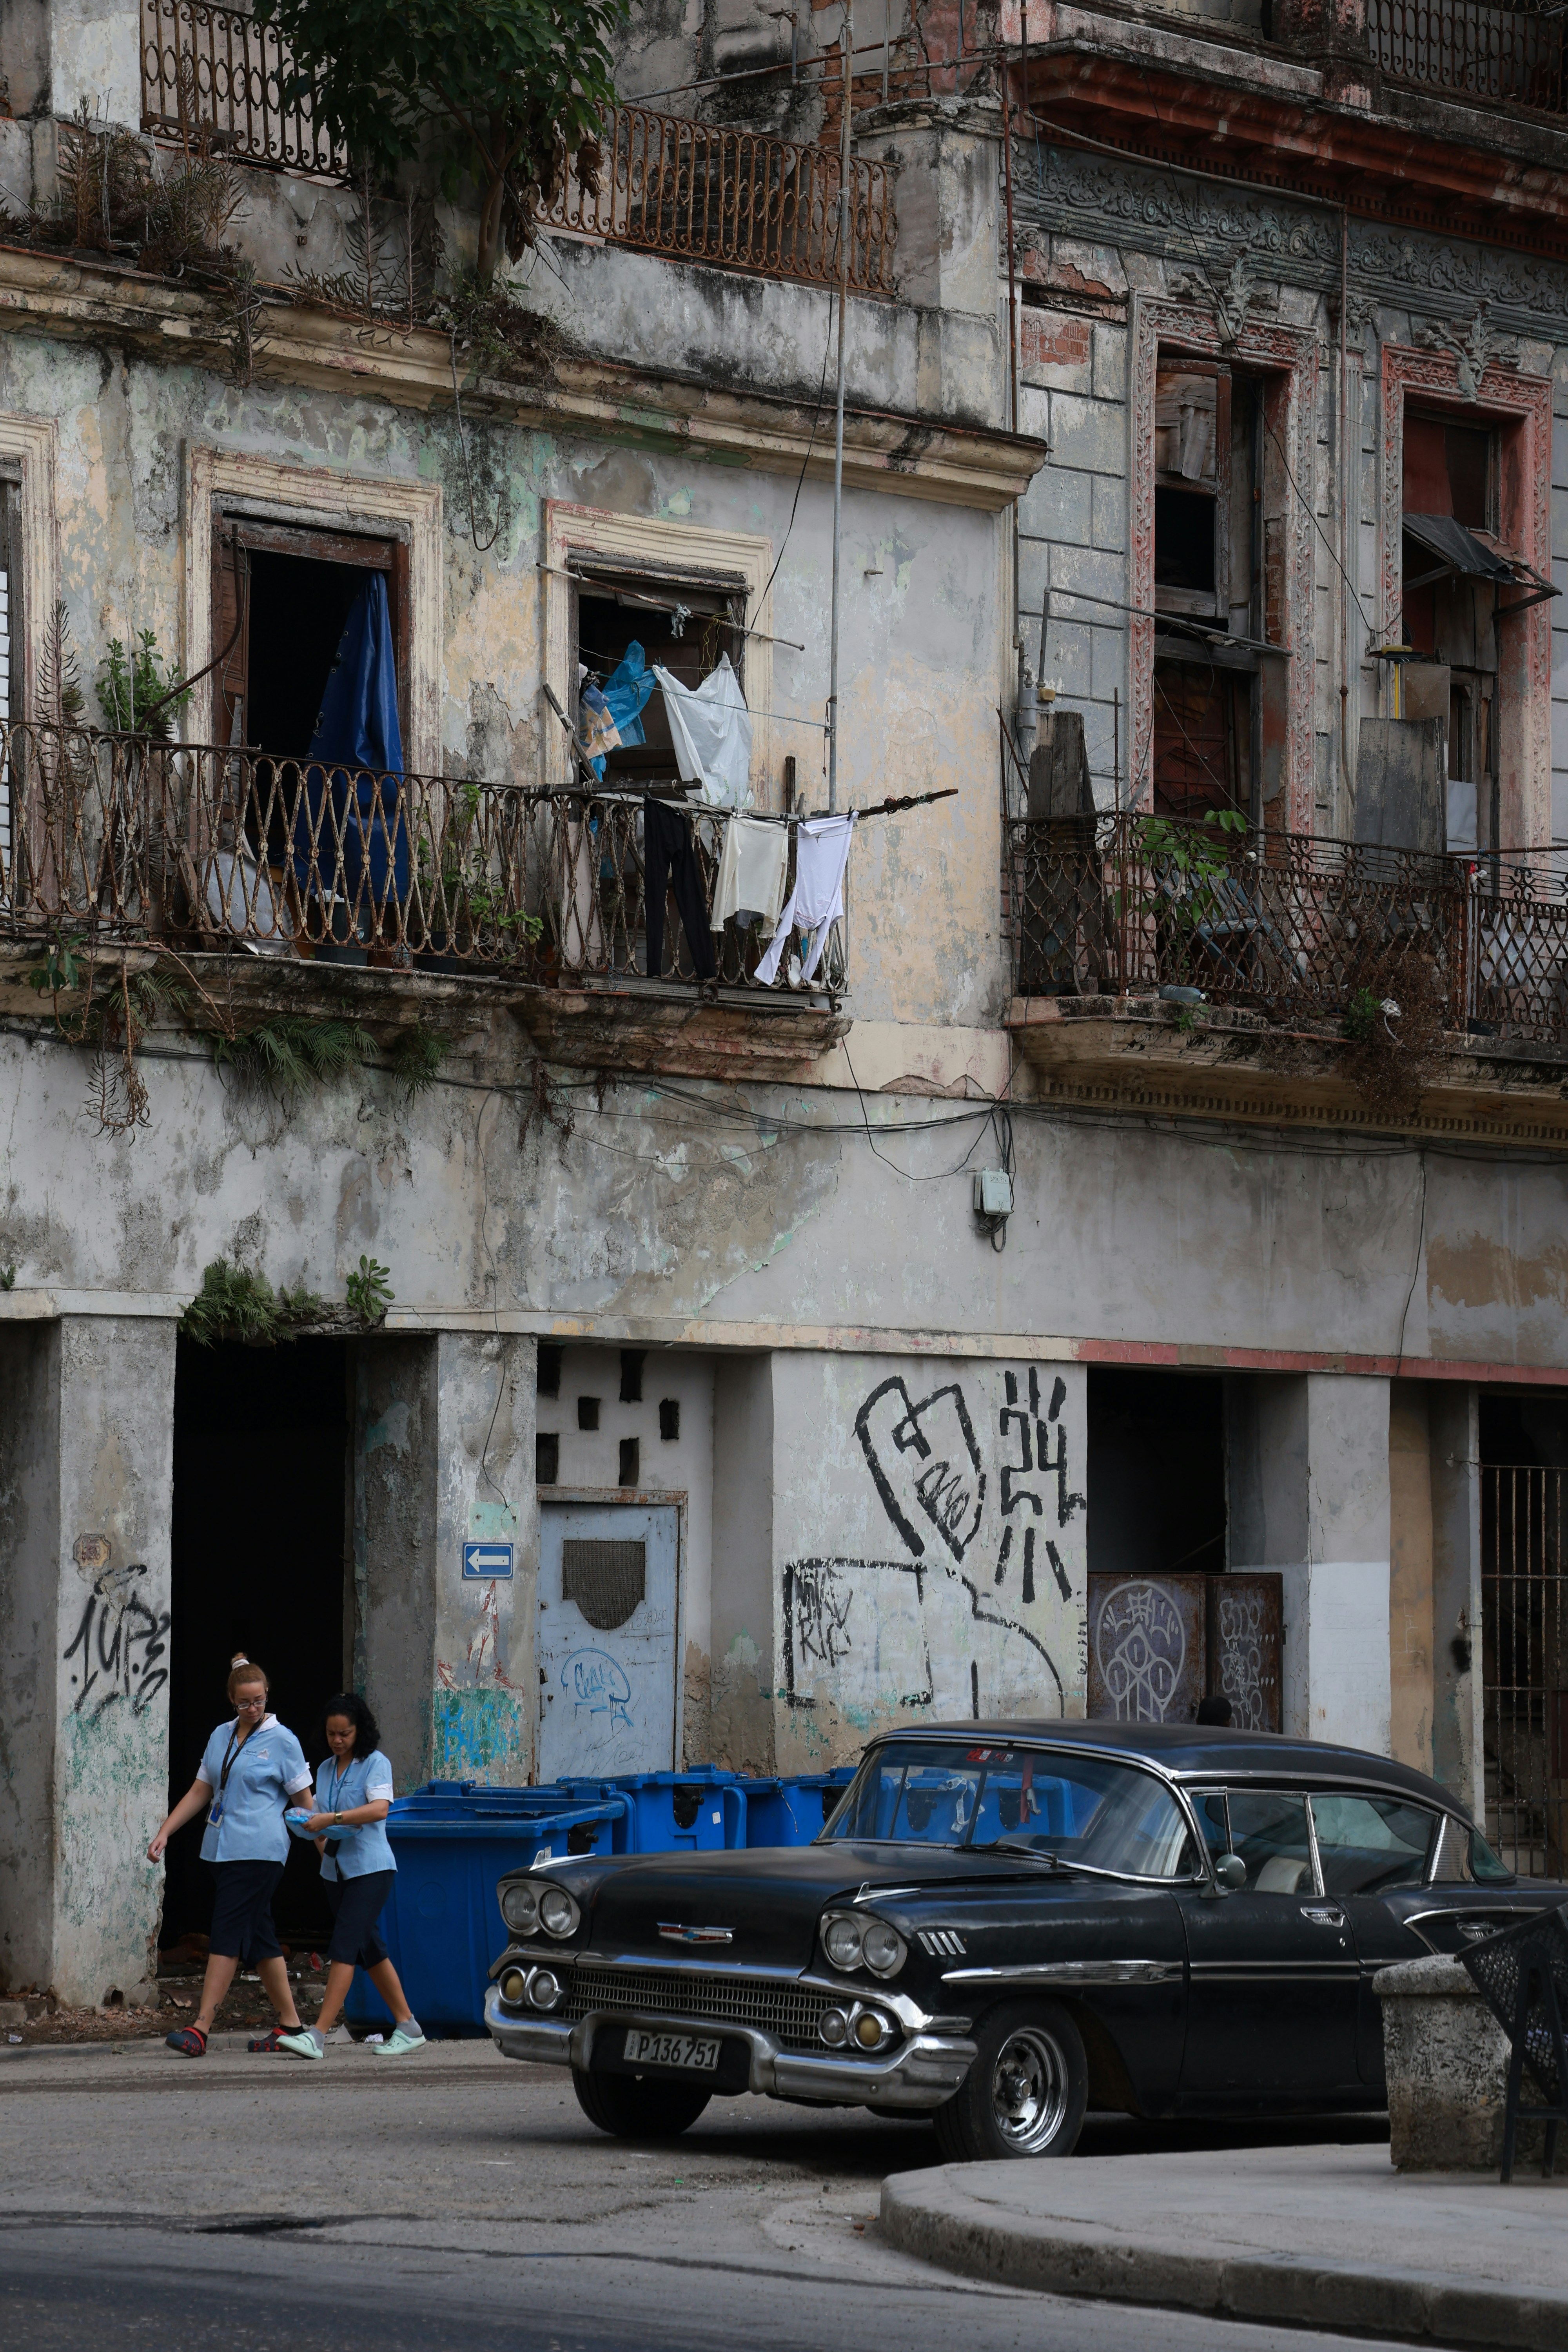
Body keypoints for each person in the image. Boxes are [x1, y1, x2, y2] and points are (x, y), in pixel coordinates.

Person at [147, 1655, 313, 2058]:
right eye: (244, 1703)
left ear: (267, 1696)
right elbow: (201, 1791)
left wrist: (324, 1841)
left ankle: (201, 2027)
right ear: (231, 1701)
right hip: (224, 1849)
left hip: (261, 1851)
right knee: (260, 1938)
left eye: (259, 1701)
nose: (253, 1709)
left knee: (226, 1931)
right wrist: (165, 1832)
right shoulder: (221, 1736)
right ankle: (292, 2027)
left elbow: (306, 1805)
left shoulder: (283, 1740)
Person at [278, 1691, 425, 2060]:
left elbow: (378, 1810)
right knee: (369, 1950)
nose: (338, 1740)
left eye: (345, 1733)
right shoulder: (326, 1769)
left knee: (344, 1945)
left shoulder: (376, 1763)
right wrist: (315, 1833)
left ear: (360, 1731)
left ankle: (317, 2035)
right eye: (332, 1734)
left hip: (372, 1869)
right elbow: (319, 1823)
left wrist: (331, 1820)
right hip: (336, 1870)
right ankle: (408, 2027)